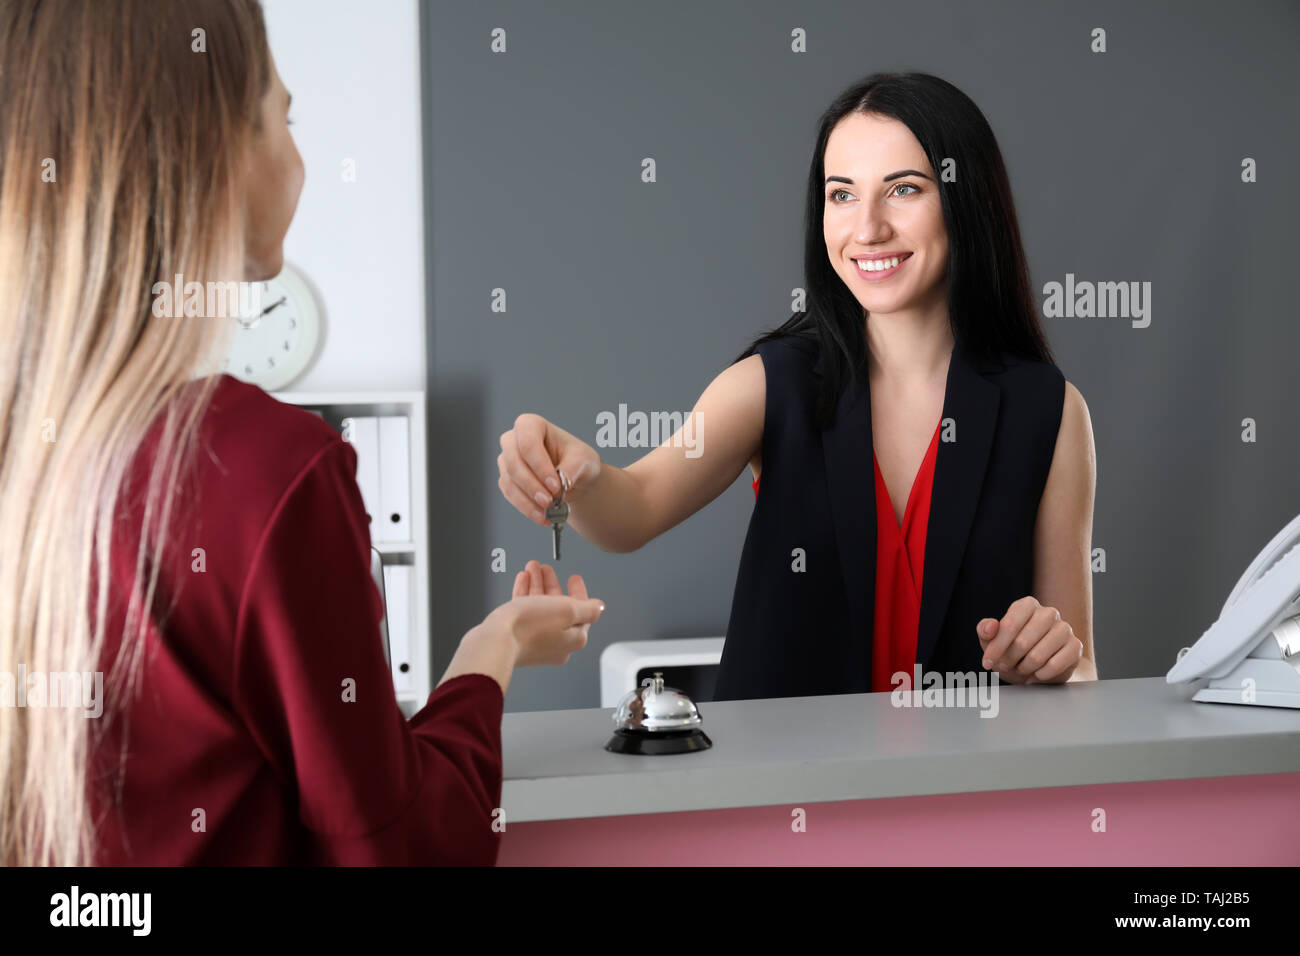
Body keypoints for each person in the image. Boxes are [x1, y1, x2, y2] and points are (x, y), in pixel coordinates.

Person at [0, 0, 603, 867]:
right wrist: (490, 650)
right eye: (284, 116)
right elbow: (394, 848)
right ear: (214, 149)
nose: (299, 154)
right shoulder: (267, 472)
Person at [498, 72, 1098, 701]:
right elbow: (637, 508)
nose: (866, 229)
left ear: (965, 199)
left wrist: (1053, 660)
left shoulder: (1051, 411)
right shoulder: (769, 383)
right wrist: (586, 478)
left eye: (903, 190)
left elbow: (1082, 666)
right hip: (782, 787)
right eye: (842, 195)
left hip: (957, 790)